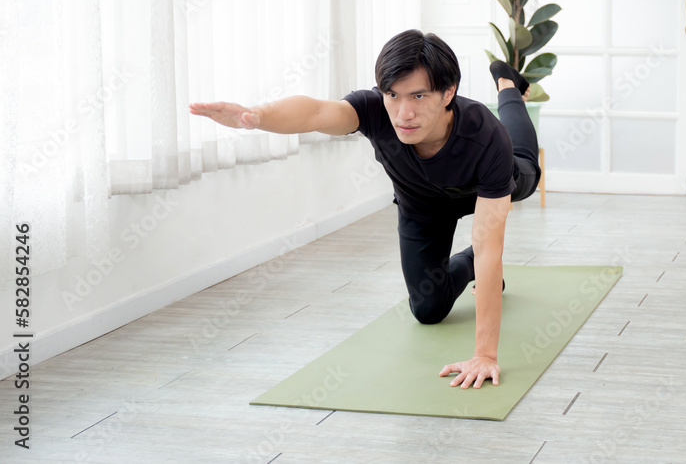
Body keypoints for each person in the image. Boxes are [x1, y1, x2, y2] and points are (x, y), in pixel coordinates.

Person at [189, 30, 541, 388]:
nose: (404, 113)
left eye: (419, 95)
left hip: (485, 186)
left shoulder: (484, 136)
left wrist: (484, 355)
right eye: (393, 95)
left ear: (448, 92)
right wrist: (256, 115)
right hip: (423, 206)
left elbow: (490, 244)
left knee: (526, 166)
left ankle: (507, 86)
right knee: (428, 310)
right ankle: (465, 264)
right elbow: (315, 112)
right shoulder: (373, 111)